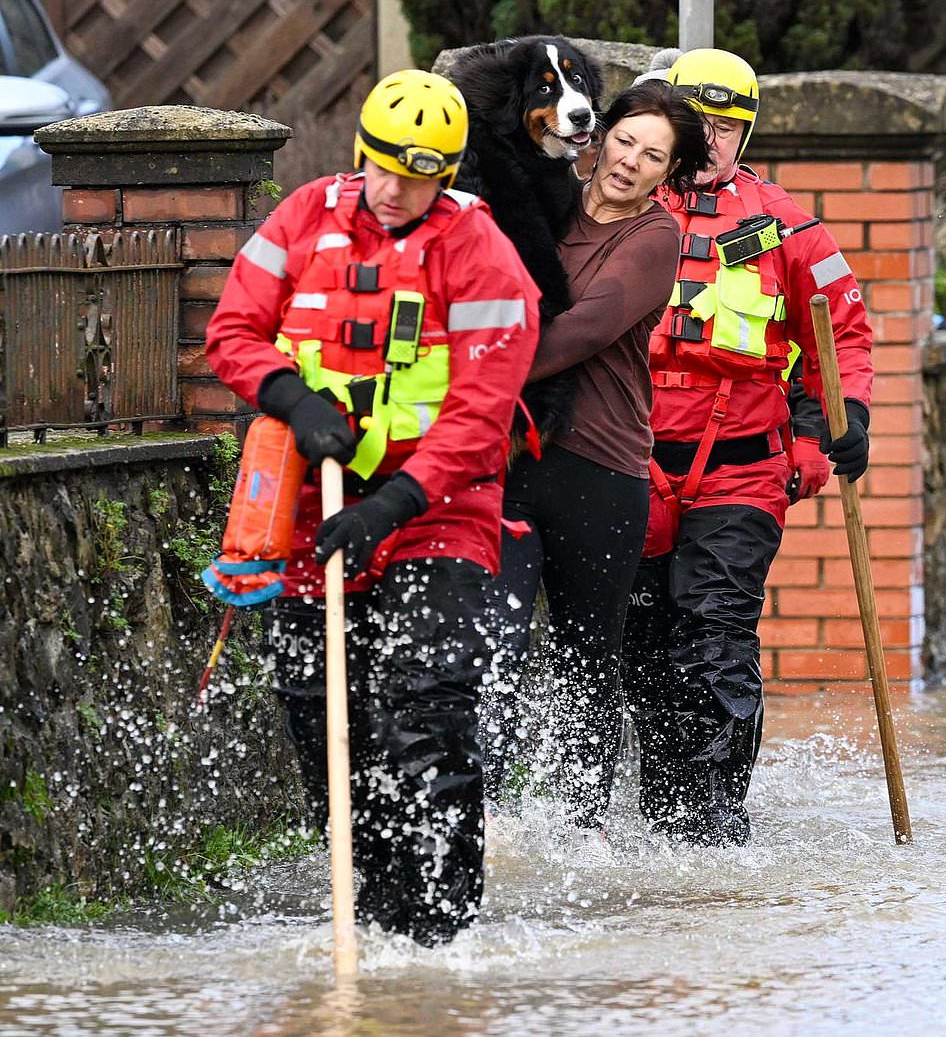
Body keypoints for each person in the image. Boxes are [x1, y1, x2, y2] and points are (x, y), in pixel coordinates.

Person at [204, 70, 539, 945]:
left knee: (425, 713)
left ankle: (440, 932)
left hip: (439, 514)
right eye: (383, 169)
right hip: (315, 512)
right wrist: (292, 398)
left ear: (449, 175)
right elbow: (232, 332)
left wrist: (394, 501)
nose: (395, 191)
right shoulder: (307, 216)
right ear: (361, 155)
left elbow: (483, 409)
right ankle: (374, 916)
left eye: (417, 177)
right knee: (323, 720)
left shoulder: (480, 250)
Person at [622, 47, 875, 845]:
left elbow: (845, 336)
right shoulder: (610, 212)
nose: (713, 142)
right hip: (628, 467)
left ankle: (715, 825)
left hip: (739, 472)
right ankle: (662, 815)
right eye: (698, 125)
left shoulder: (790, 228)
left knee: (715, 634)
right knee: (642, 649)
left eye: (729, 128)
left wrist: (837, 423)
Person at [484, 81, 713, 827]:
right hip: (512, 459)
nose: (630, 162)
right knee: (495, 644)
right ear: (600, 136)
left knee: (586, 662)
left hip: (602, 470)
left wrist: (478, 375)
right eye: (624, 141)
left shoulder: (654, 238)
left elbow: (587, 328)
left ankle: (578, 835)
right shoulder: (542, 209)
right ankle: (482, 821)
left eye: (654, 156)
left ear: (667, 172)